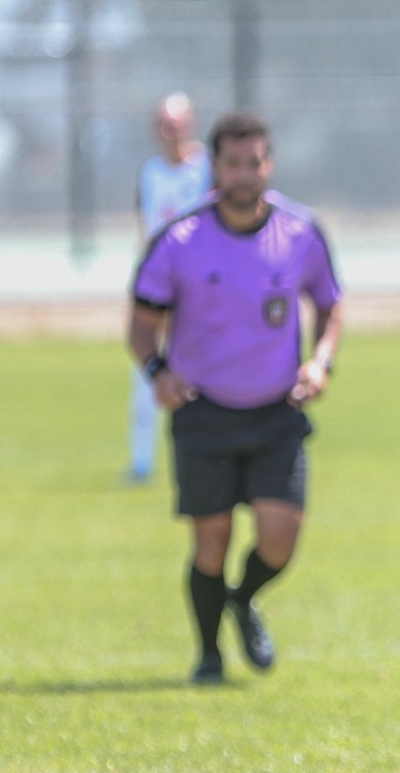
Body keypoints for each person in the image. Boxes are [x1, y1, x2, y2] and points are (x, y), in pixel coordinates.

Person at [127, 110, 343, 685]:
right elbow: (141, 324)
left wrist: (320, 361)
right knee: (211, 541)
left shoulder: (300, 232)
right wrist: (158, 372)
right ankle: (208, 656)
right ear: (214, 168)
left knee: (280, 539)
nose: (244, 174)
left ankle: (242, 601)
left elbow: (329, 305)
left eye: (255, 163)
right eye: (232, 164)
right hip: (205, 412)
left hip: (277, 410)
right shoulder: (180, 239)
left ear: (268, 165)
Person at [127, 94, 213, 483]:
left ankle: (206, 457)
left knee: (204, 373)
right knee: (147, 372)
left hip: (200, 289)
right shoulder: (150, 174)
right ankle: (141, 464)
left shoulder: (207, 172)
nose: (170, 132)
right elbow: (146, 231)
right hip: (160, 289)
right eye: (164, 124)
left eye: (176, 124)